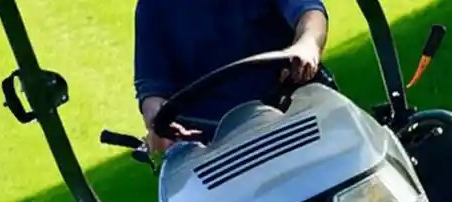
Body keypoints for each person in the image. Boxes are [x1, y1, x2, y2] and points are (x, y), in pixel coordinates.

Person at [133, 0, 330, 152]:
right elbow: (152, 91)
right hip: (211, 145)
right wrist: (157, 119)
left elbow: (310, 14)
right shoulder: (153, 7)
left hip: (293, 112)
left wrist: (307, 44)